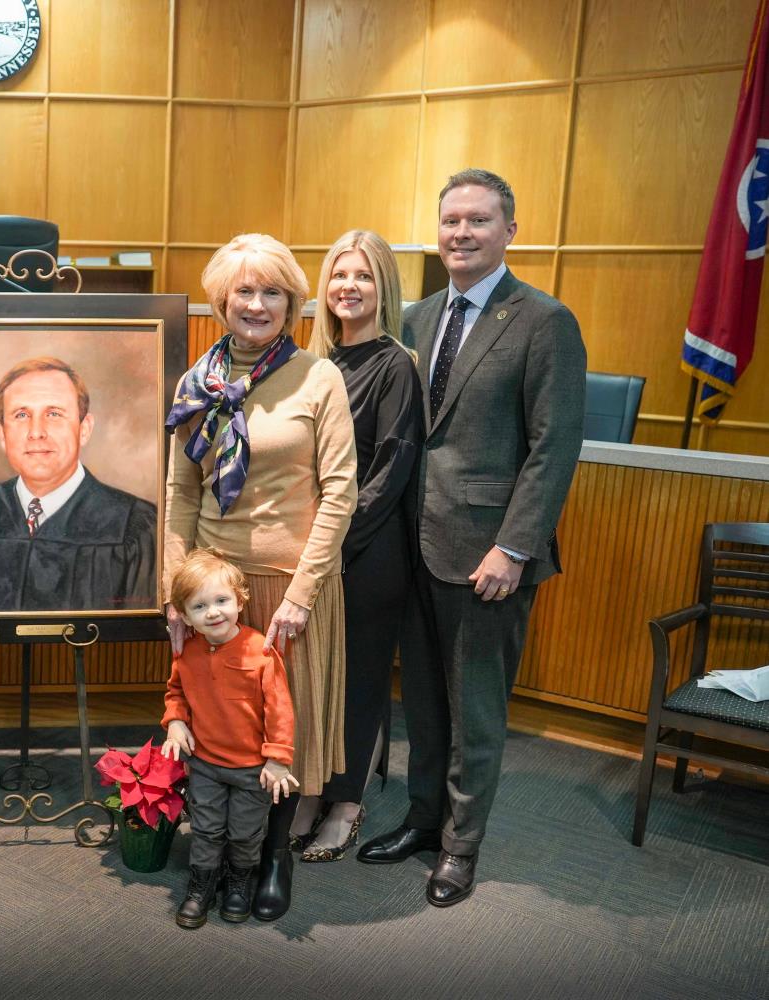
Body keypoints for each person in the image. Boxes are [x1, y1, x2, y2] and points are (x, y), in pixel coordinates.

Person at [357, 169, 586, 907]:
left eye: (478, 221)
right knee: (421, 704)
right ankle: (423, 822)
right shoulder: (417, 316)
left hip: (487, 555)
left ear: (509, 231)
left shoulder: (544, 320)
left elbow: (554, 446)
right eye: (451, 219)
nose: (461, 233)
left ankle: (461, 847)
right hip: (414, 547)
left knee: (475, 711)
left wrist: (514, 548)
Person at [163, 233, 356, 921]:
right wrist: (175, 592)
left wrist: (302, 595)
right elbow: (181, 493)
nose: (257, 303)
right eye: (244, 290)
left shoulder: (317, 376)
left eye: (272, 291)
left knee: (281, 731)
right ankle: (216, 857)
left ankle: (273, 859)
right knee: (220, 726)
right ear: (222, 300)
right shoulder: (197, 381)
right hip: (213, 585)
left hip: (288, 586)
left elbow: (341, 493)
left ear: (292, 303)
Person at [299, 231, 422, 861]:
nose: (349, 286)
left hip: (366, 554)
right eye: (339, 274)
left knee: (359, 680)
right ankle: (313, 788)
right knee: (312, 678)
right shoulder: (313, 364)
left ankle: (346, 803)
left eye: (364, 276)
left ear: (385, 288)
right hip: (312, 550)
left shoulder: (396, 363)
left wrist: (331, 545)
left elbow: (391, 469)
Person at [0, 356, 157, 612]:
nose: (36, 431)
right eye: (21, 414)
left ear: (84, 429)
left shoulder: (134, 528)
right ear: (2, 433)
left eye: (53, 413)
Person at [161, 548, 295, 928]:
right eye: (200, 606)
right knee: (205, 827)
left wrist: (278, 758)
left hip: (253, 769)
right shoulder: (185, 651)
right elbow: (177, 694)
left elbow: (280, 709)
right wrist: (175, 722)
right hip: (205, 764)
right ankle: (202, 884)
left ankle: (239, 881)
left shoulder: (262, 651)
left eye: (222, 600)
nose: (214, 612)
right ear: (185, 616)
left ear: (239, 600)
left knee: (246, 831)